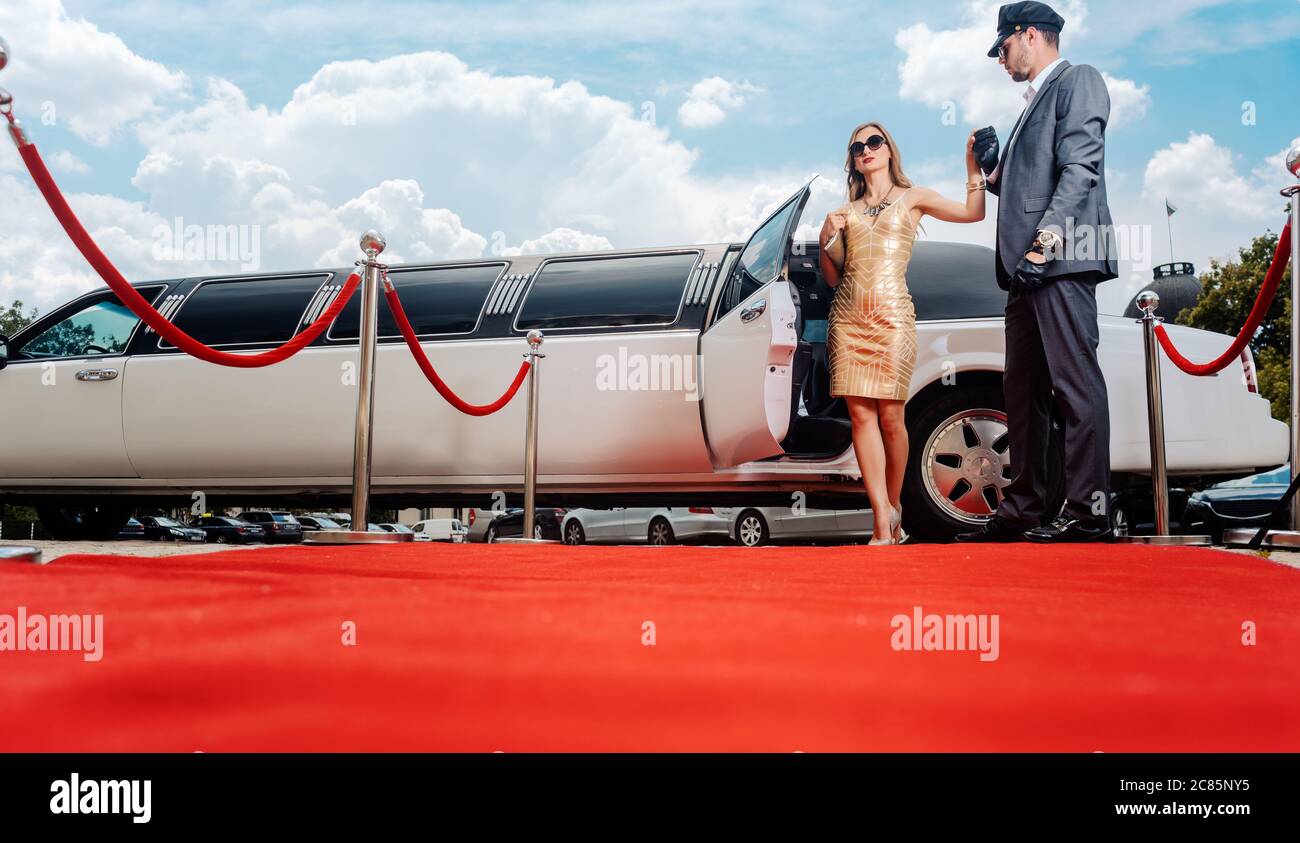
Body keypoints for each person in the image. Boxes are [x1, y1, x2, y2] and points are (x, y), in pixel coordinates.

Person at [957, 1, 1118, 544]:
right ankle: (1025, 508)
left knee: (1075, 387)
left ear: (1029, 36)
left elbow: (1080, 171)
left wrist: (1043, 249)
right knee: (1022, 391)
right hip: (1025, 272)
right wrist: (994, 169)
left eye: (1002, 48)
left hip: (1058, 262)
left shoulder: (1078, 81)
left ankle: (1089, 513)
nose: (1000, 59)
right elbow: (1031, 186)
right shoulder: (1031, 103)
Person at [819, 122, 987, 545]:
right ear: (853, 159)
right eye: (858, 146)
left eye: (874, 142)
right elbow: (832, 277)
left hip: (893, 319)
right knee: (861, 416)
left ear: (889, 150)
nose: (866, 150)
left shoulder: (914, 198)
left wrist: (973, 169)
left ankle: (895, 506)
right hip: (848, 318)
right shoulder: (846, 211)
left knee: (892, 417)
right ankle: (880, 519)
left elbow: (974, 214)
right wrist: (827, 236)